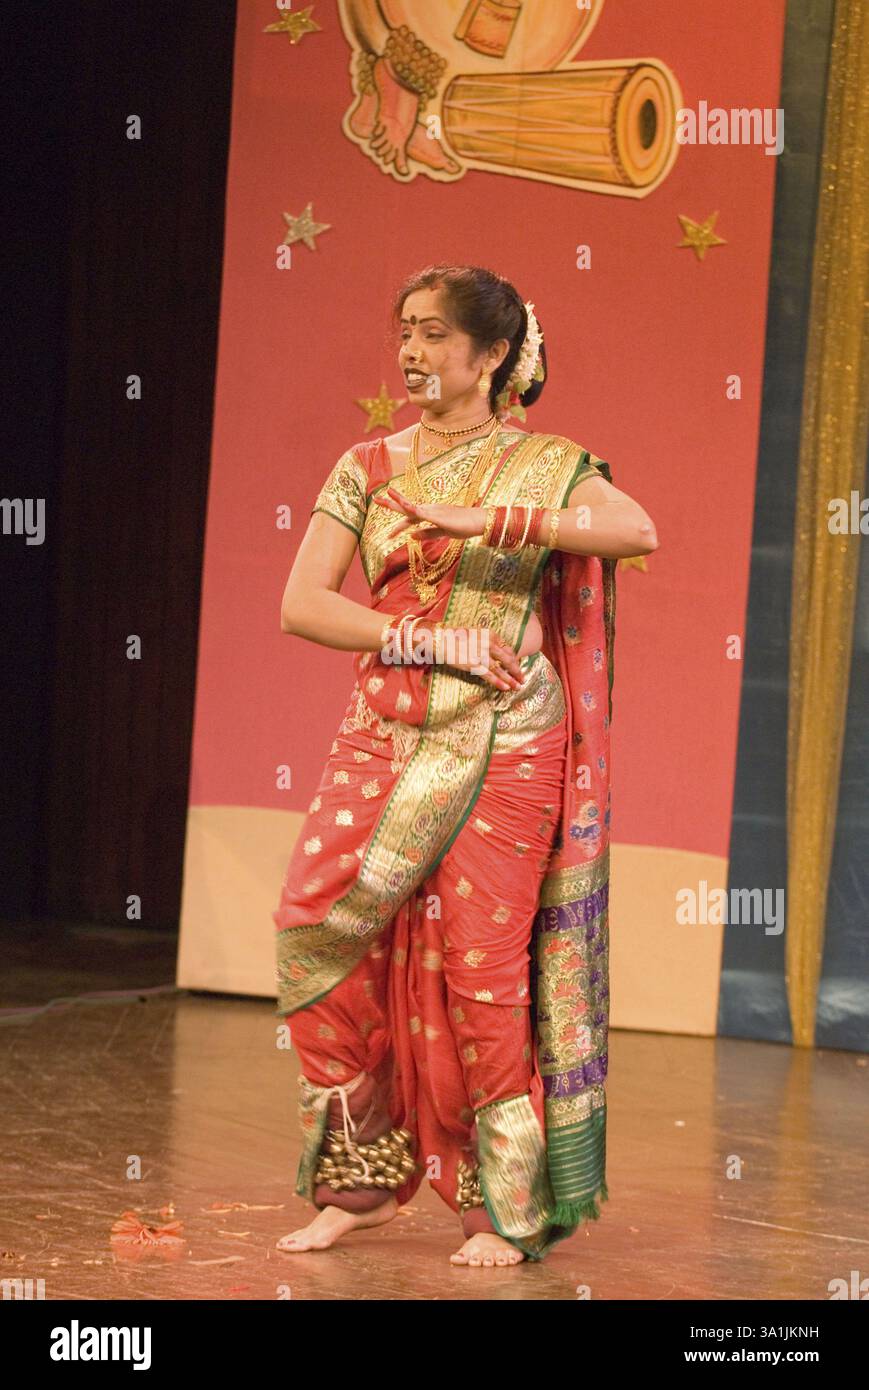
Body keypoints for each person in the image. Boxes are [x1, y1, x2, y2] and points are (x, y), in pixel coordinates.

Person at [273, 264, 658, 1267]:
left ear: (493, 355)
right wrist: (425, 643)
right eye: (404, 330)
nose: (411, 352)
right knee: (314, 932)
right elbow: (303, 603)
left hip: (505, 740)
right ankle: (358, 1180)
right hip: (387, 722)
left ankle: (503, 1206)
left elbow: (633, 529)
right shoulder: (367, 464)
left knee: (481, 973)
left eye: (436, 335)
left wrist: (486, 517)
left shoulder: (545, 465)